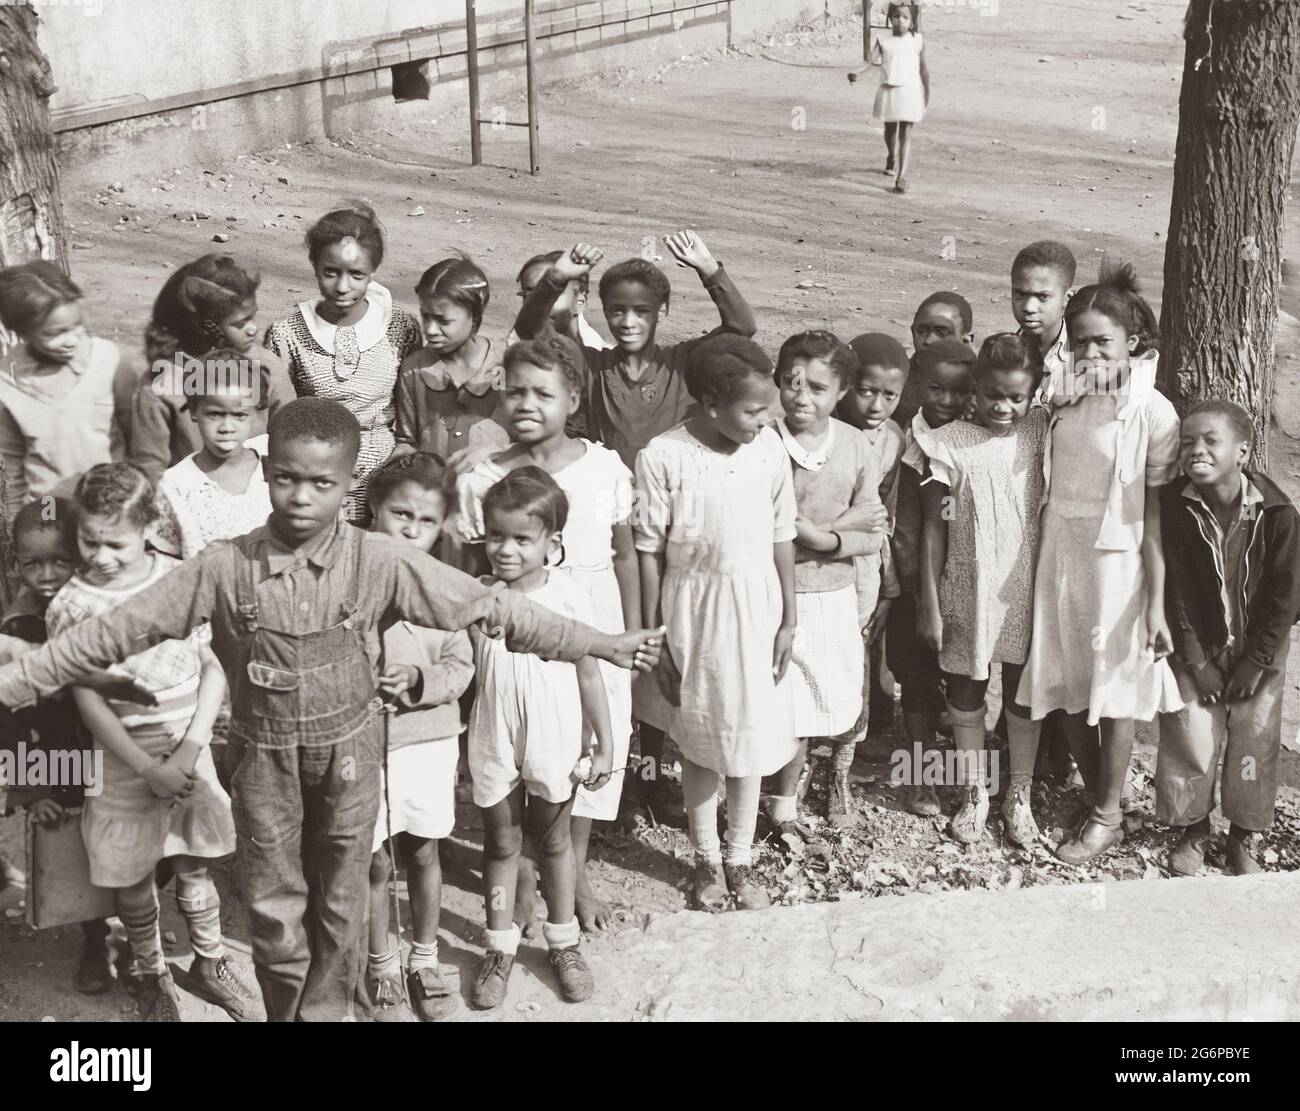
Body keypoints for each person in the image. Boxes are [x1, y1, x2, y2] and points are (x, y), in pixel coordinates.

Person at [0, 398, 663, 1022]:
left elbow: (493, 608)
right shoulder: (222, 567)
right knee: (273, 910)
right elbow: (108, 635)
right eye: (286, 477)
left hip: (350, 762)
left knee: (342, 906)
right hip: (261, 765)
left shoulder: (381, 562)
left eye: (321, 483)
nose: (300, 495)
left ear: (349, 482)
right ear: (266, 471)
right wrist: (16, 680)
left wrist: (600, 642)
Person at [517, 233, 756, 823]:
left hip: (676, 519)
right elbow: (530, 333)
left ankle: (656, 771)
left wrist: (710, 268)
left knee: (665, 640)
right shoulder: (591, 366)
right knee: (620, 639)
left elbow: (742, 330)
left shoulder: (681, 362)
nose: (627, 322)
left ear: (661, 313)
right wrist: (556, 278)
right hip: (611, 521)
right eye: (616, 311)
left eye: (641, 312)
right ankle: (613, 775)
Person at [49, 464, 258, 1022]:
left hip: (187, 750)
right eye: (88, 540)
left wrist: (188, 752)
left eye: (114, 542)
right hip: (122, 764)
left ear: (147, 527)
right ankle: (152, 973)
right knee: (136, 872)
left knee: (193, 863)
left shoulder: (181, 580)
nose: (100, 555)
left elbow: (212, 669)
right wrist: (147, 767)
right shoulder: (71, 605)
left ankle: (210, 962)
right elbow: (87, 699)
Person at [457, 336, 636, 932]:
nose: (527, 403)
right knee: (521, 751)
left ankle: (573, 872)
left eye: (543, 392)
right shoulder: (482, 479)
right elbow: (464, 573)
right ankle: (525, 878)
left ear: (574, 398)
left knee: (579, 752)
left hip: (596, 625)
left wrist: (631, 634)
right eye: (515, 391)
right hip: (515, 631)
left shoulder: (603, 467)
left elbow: (626, 553)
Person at [1017, 262, 1182, 865]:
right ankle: (1096, 795)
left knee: (1114, 690)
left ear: (1132, 344)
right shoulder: (1063, 393)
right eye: (1081, 339)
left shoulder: (1152, 412)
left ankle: (1109, 814)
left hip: (1119, 566)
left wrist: (1157, 602)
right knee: (1063, 681)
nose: (1089, 351)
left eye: (1102, 342)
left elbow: (1157, 516)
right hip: (1060, 549)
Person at [636, 336, 798, 912]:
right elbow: (649, 549)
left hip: (757, 613)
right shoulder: (662, 456)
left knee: (748, 738)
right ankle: (705, 859)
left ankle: (741, 857)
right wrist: (658, 634)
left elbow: (783, 533)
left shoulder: (770, 450)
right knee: (703, 740)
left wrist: (789, 618)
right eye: (753, 411)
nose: (764, 421)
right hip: (693, 616)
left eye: (767, 411)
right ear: (710, 403)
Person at [468, 468, 614, 1008]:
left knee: (554, 842)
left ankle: (563, 941)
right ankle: (500, 946)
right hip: (493, 733)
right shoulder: (478, 597)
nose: (506, 550)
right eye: (496, 536)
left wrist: (605, 742)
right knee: (502, 844)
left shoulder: (570, 596)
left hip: (553, 733)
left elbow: (590, 673)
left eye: (521, 538)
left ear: (552, 543)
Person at [0, 499, 159, 997]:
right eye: (32, 563)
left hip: (128, 750)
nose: (47, 575)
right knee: (80, 857)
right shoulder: (17, 628)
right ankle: (96, 941)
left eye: (62, 559)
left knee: (145, 850)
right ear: (15, 563)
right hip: (66, 761)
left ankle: (140, 939)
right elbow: (10, 720)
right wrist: (32, 790)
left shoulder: (106, 606)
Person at [1157, 401, 1300, 876]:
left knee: (1253, 741)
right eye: (1187, 442)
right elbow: (1174, 586)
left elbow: (1286, 593)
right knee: (1192, 735)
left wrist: (1256, 661)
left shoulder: (1277, 512)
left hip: (1259, 647)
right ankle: (1193, 829)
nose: (1196, 450)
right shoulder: (1175, 508)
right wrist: (1196, 661)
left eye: (1210, 441)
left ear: (1242, 451)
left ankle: (1243, 835)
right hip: (1195, 642)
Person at [916, 334, 1048, 845]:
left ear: (1033, 393)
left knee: (1021, 689)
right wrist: (930, 602)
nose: (1003, 406)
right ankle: (976, 792)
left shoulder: (1038, 431)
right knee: (968, 685)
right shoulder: (947, 442)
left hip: (1023, 584)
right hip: (966, 585)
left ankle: (1019, 792)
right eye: (994, 393)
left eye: (1017, 396)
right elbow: (933, 528)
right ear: (976, 387)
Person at [362, 454, 472, 1021]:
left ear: (441, 526)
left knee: (424, 848)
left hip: (428, 740)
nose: (409, 529)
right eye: (398, 513)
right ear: (373, 511)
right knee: (375, 860)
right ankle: (380, 964)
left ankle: (424, 958)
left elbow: (461, 667)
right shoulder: (351, 583)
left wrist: (418, 680)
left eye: (424, 521)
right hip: (366, 745)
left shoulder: (445, 592)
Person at [766, 332, 885, 830]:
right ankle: (763, 801)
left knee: (816, 703)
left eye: (817, 387)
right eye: (792, 383)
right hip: (771, 592)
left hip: (831, 592)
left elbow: (872, 526)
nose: (802, 396)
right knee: (774, 701)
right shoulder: (763, 439)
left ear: (841, 393)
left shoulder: (854, 445)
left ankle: (792, 799)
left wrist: (825, 539)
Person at [264, 202, 422, 523]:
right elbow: (279, 414)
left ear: (372, 272)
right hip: (315, 472)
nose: (342, 287)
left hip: (385, 472)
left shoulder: (400, 327)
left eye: (356, 275)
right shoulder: (287, 333)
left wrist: (401, 460)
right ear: (315, 267)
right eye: (331, 272)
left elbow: (413, 409)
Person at [888, 339, 975, 817]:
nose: (946, 400)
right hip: (915, 585)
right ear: (917, 383)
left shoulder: (974, 434)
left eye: (959, 391)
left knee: (962, 680)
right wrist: (923, 599)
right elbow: (915, 527)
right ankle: (920, 776)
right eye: (935, 388)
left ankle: (968, 781)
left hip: (965, 583)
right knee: (917, 681)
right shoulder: (910, 439)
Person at [129, 253, 293, 483]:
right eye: (239, 323)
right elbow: (150, 464)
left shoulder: (266, 367)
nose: (253, 329)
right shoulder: (164, 381)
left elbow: (290, 439)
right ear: (207, 327)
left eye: (251, 318)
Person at [0, 261, 135, 525]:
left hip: (111, 506)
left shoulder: (108, 361)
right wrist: (21, 524)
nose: (72, 339)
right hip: (49, 507)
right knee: (56, 556)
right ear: (21, 332)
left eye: (77, 326)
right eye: (55, 333)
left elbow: (138, 436)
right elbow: (13, 463)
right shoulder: (8, 380)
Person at [838, 333, 909, 739]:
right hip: (813, 561)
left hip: (866, 566)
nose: (877, 406)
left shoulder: (893, 439)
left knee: (858, 654)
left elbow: (889, 516)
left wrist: (890, 587)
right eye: (865, 391)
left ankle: (842, 763)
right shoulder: (820, 429)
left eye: (890, 395)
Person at [392, 257, 510, 466]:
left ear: (475, 315)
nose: (430, 330)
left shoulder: (504, 366)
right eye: (425, 317)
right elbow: (407, 440)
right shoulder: (414, 370)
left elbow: (527, 437)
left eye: (443, 321)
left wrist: (497, 452)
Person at [157, 358, 273, 559]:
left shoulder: (276, 461)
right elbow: (166, 561)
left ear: (255, 413)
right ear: (194, 411)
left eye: (239, 415)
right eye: (215, 415)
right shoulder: (174, 485)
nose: (227, 428)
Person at [849, 3, 928, 193]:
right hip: (889, 91)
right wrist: (857, 74)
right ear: (890, 19)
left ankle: (901, 178)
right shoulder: (883, 39)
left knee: (905, 135)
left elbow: (923, 69)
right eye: (896, 16)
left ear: (912, 21)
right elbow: (870, 62)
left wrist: (927, 93)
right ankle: (891, 155)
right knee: (890, 132)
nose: (900, 20)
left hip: (910, 92)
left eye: (905, 17)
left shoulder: (917, 39)